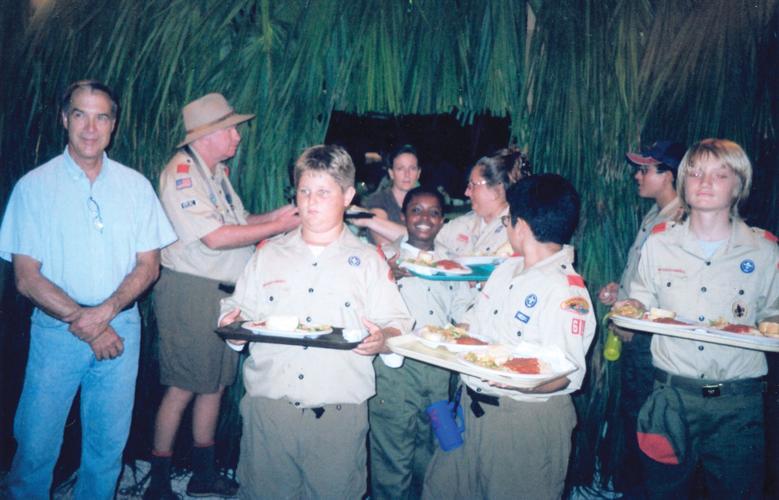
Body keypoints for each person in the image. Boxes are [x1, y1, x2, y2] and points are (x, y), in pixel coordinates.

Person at [0, 80, 177, 500]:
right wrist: (90, 324)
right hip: (56, 333)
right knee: (36, 445)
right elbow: (26, 276)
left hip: (123, 328)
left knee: (106, 449)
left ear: (113, 125)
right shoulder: (35, 187)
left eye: (102, 117)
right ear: (65, 119)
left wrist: (107, 313)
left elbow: (148, 266)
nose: (90, 127)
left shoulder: (136, 187)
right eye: (80, 114)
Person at [218, 145, 413, 499]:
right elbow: (237, 309)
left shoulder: (369, 260)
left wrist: (382, 339)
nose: (311, 202)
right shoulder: (268, 254)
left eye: (324, 192)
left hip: (338, 418)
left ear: (348, 196)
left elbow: (398, 322)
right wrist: (233, 325)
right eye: (305, 191)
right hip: (269, 413)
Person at [146, 93, 300, 499]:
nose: (237, 135)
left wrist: (283, 216)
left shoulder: (213, 173)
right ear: (207, 135)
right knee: (182, 385)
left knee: (214, 384)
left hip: (220, 294)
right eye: (230, 128)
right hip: (191, 293)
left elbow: (240, 221)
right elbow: (215, 238)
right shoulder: (181, 175)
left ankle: (203, 474)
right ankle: (159, 482)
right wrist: (272, 228)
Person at [613, 139, 779, 499]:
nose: (705, 182)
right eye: (695, 173)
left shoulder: (765, 251)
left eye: (720, 175)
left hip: (739, 403)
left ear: (739, 185)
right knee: (663, 493)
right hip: (670, 399)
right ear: (684, 181)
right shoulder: (659, 244)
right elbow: (638, 304)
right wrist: (623, 314)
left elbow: (773, 315)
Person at [422, 174, 596, 499]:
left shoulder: (565, 291)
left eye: (508, 218)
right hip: (468, 410)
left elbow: (565, 373)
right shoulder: (505, 270)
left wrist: (516, 379)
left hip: (521, 422)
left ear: (521, 225)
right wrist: (439, 337)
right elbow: (472, 325)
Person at [369, 186, 471, 499]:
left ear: (442, 221)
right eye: (416, 210)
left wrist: (461, 331)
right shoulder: (380, 259)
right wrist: (387, 277)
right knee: (392, 458)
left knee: (430, 456)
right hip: (393, 371)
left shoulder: (453, 264)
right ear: (404, 215)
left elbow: (464, 312)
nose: (424, 218)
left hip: (438, 369)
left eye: (433, 212)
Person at [597, 140, 685, 496]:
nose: (637, 175)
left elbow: (676, 291)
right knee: (633, 417)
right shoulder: (655, 215)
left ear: (669, 175)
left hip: (652, 344)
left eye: (645, 169)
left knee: (649, 425)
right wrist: (621, 293)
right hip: (634, 334)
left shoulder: (681, 222)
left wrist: (637, 315)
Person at [435, 147, 532, 259]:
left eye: (473, 185)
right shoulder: (462, 225)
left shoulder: (518, 231)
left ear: (497, 190)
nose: (466, 192)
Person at [361, 144, 421, 245]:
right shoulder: (379, 200)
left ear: (418, 173)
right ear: (391, 173)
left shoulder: (425, 202)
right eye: (400, 168)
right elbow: (384, 242)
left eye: (412, 168)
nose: (407, 174)